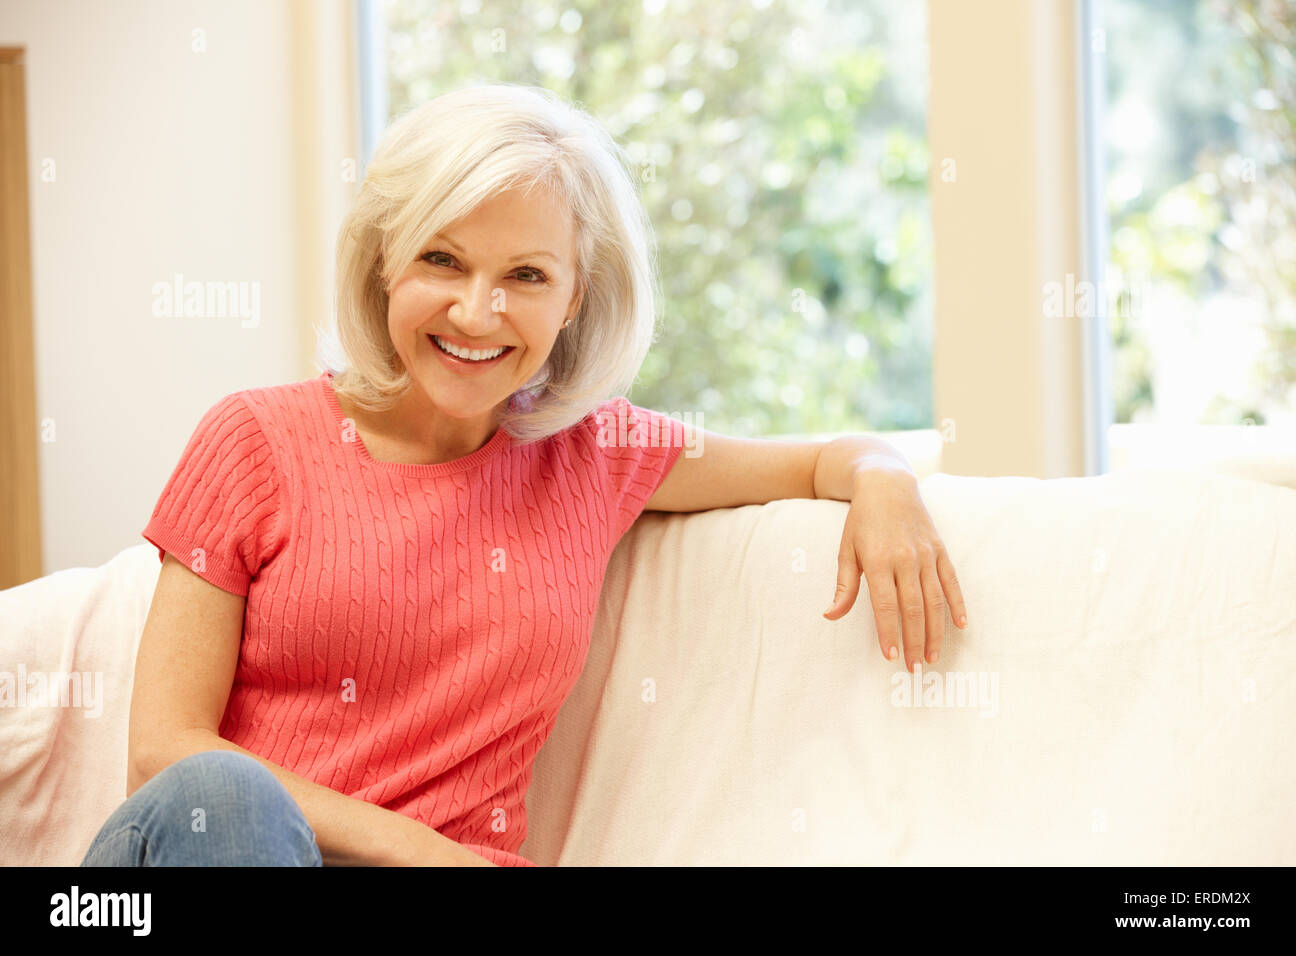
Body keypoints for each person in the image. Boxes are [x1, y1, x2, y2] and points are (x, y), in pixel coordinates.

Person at [82, 82, 966, 868]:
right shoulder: (254, 440)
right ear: (385, 258)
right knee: (233, 804)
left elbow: (822, 458)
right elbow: (167, 754)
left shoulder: (596, 453)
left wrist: (885, 480)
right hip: (217, 852)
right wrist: (412, 847)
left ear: (573, 297)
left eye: (526, 275)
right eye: (441, 259)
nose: (477, 310)